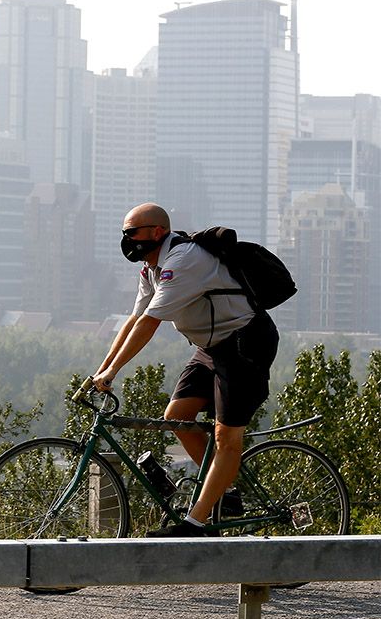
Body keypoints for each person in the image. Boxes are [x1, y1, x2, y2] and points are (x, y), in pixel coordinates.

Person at [92, 203, 279, 537]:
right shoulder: (151, 268)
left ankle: (196, 523)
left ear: (157, 232)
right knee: (177, 416)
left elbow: (150, 323)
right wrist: (102, 370)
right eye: (124, 232)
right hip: (210, 348)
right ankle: (226, 494)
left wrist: (114, 372)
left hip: (244, 344)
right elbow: (133, 320)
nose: (127, 238)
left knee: (226, 437)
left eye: (132, 232)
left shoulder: (182, 260)